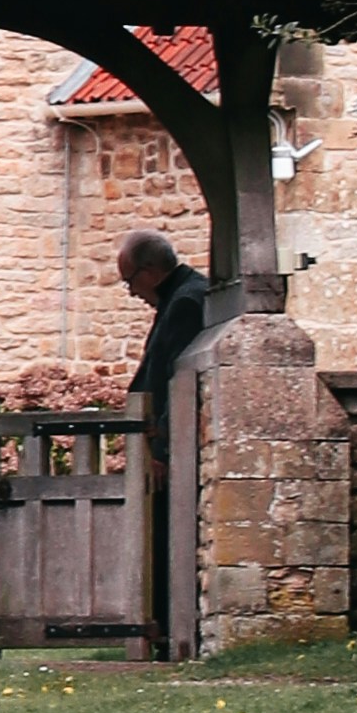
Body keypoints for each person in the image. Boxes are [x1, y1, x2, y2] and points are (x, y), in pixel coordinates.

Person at [118, 226, 212, 658]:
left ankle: (167, 631)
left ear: (150, 271)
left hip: (170, 446)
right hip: (161, 439)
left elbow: (175, 379)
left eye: (130, 281)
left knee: (164, 537)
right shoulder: (180, 297)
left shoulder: (186, 302)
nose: (131, 293)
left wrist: (160, 448)